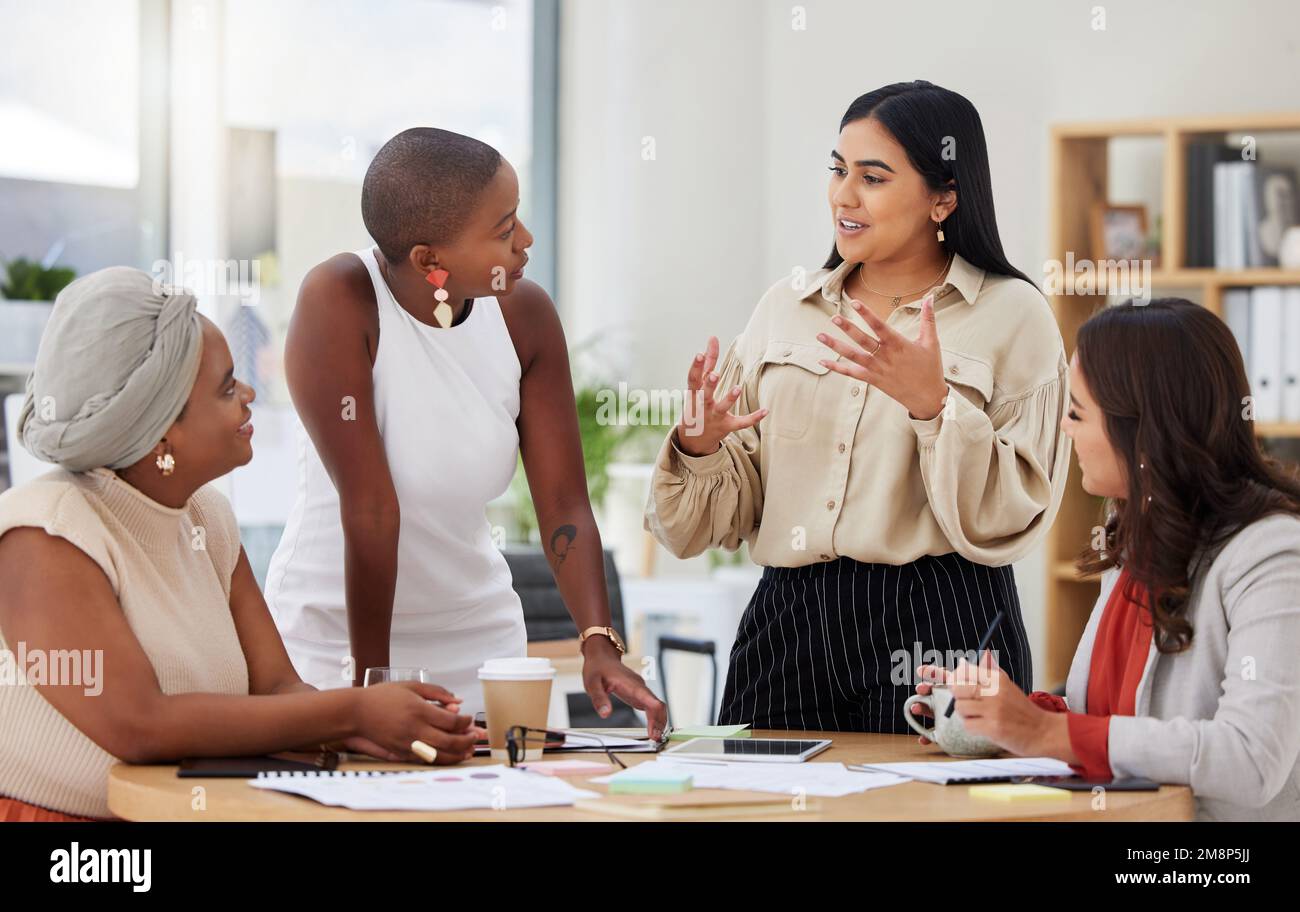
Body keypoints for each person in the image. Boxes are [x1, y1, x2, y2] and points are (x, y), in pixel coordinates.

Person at [645, 81, 1071, 732]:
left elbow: (1013, 514)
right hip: (789, 619)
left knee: (924, 810)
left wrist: (935, 408)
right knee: (754, 806)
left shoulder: (1014, 315)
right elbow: (711, 525)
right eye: (839, 171)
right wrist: (700, 449)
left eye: (872, 177)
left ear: (944, 197)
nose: (843, 196)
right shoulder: (784, 307)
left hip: (941, 617)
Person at [0, 268, 485, 822]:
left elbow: (277, 687)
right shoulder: (46, 532)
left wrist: (384, 730)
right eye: (228, 387)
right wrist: (354, 712)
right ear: (161, 431)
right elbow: (139, 724)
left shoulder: (209, 519)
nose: (250, 395)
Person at [264, 128, 665, 734]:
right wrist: (371, 688)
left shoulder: (524, 315)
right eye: (504, 231)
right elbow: (371, 508)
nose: (526, 241)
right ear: (431, 261)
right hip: (337, 645)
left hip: (482, 648)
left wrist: (597, 642)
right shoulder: (342, 299)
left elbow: (562, 502)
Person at [912, 299, 1300, 821]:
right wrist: (1009, 720)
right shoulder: (1133, 537)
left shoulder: (1271, 555)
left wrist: (1047, 733)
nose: (1066, 431)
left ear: (1142, 429)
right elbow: (1115, 722)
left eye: (1076, 412)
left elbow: (1251, 759)